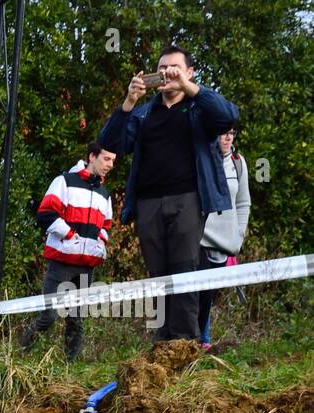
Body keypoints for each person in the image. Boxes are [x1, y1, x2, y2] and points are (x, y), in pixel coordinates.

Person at [98, 44, 239, 342]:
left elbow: (227, 117)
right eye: (162, 68)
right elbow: (111, 142)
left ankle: (184, 346)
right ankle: (161, 348)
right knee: (158, 276)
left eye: (174, 68)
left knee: (184, 273)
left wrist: (188, 87)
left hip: (188, 199)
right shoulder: (144, 113)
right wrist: (128, 101)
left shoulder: (199, 109)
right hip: (148, 203)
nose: (167, 73)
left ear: (189, 72)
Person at [18, 143, 116, 360]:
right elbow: (45, 214)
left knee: (76, 319)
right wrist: (71, 237)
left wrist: (100, 243)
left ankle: (70, 367)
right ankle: (18, 355)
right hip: (61, 262)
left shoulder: (104, 193)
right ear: (92, 156)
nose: (110, 165)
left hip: (87, 265)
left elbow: (106, 225)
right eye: (106, 159)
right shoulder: (64, 181)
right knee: (49, 316)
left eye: (112, 161)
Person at [198, 122, 250, 349]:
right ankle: (198, 340)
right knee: (196, 292)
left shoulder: (239, 163)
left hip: (224, 245)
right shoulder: (202, 160)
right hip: (199, 240)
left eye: (231, 133)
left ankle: (202, 341)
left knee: (208, 296)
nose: (228, 138)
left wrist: (237, 236)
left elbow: (243, 203)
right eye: (223, 133)